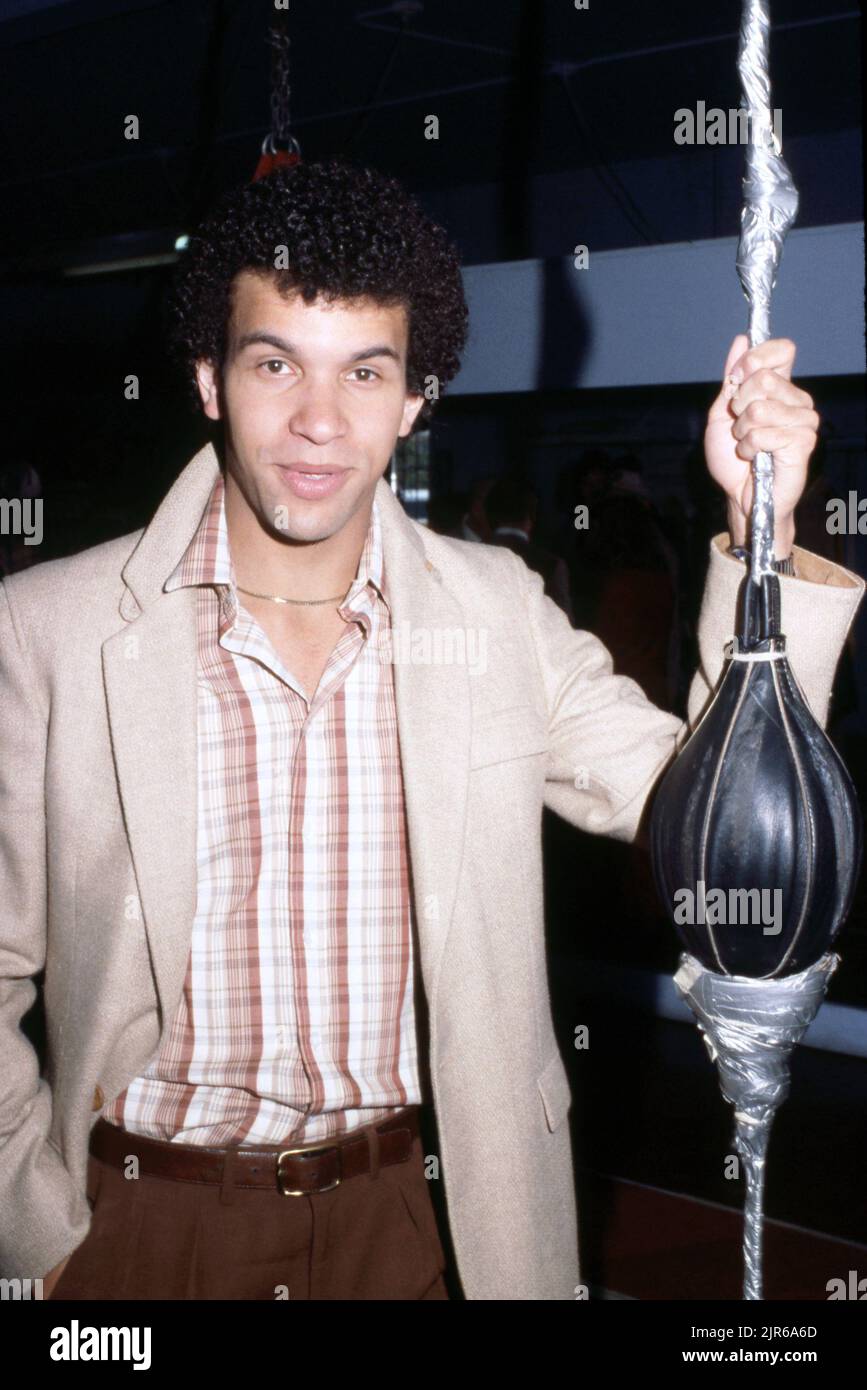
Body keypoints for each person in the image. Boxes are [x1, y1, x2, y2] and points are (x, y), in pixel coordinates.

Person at [0, 158, 862, 1302]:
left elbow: (718, 819)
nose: (319, 420)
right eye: (275, 365)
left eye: (366, 371)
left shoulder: (496, 612)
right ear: (210, 377)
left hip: (420, 1230)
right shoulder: (48, 629)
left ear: (415, 399)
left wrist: (766, 526)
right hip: (140, 1240)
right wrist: (44, 1238)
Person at [484, 476, 575, 623]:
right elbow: (563, 628)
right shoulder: (550, 566)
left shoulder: (461, 557)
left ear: (488, 514)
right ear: (533, 515)